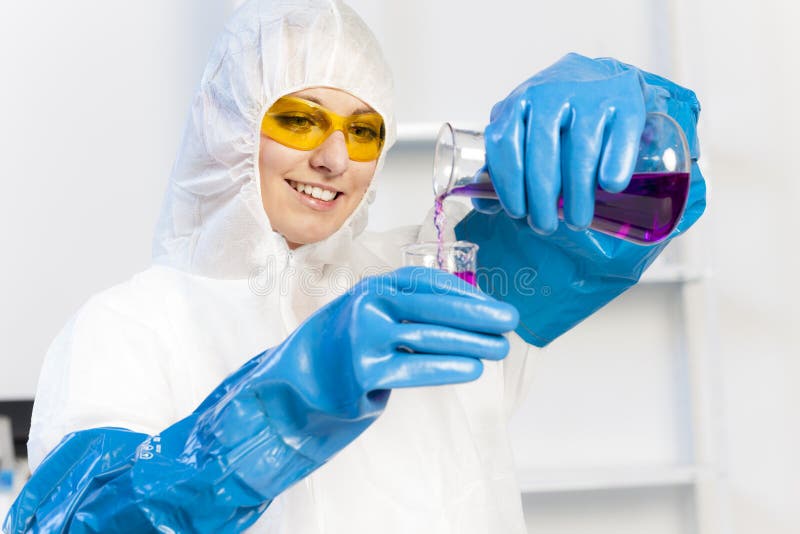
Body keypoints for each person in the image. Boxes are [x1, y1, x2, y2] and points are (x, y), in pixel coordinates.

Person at [3, 0, 705, 533]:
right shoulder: (130, 325)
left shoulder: (431, 286)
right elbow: (77, 519)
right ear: (232, 123)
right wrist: (281, 408)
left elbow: (602, 235)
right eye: (300, 120)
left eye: (362, 131)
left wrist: (639, 120)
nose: (334, 160)